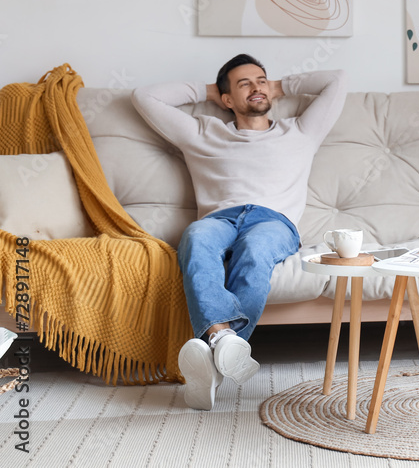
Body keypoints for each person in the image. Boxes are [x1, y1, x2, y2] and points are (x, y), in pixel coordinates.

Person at [132, 55, 347, 409]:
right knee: (196, 238)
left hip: (273, 222)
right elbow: (144, 96)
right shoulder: (202, 131)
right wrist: (208, 91)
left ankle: (213, 352)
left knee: (256, 250)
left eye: (262, 80)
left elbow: (337, 79)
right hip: (219, 219)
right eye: (244, 84)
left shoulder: (301, 131)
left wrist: (278, 86)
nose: (257, 87)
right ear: (226, 99)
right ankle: (220, 347)